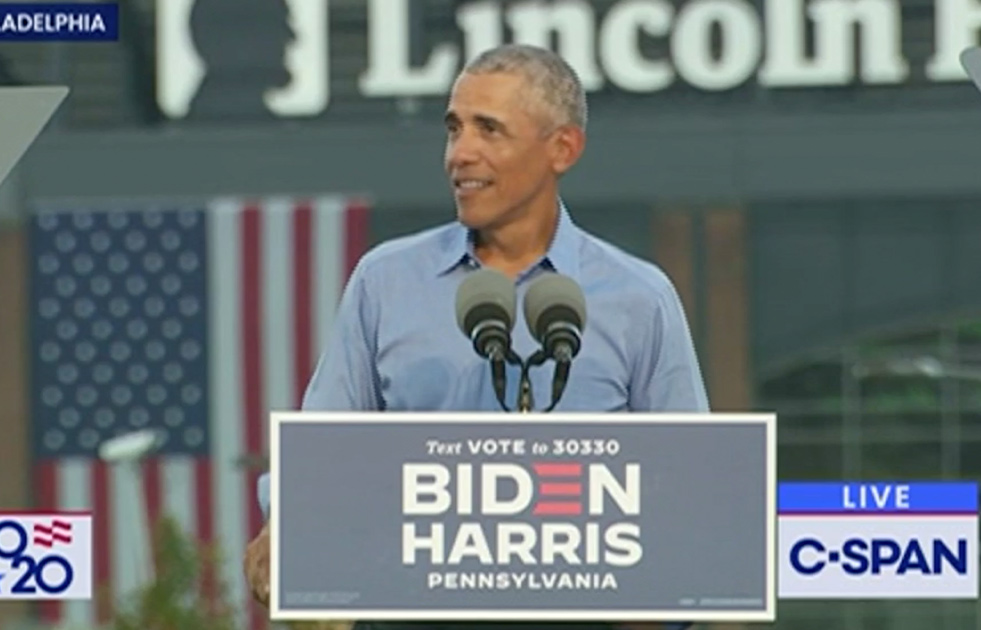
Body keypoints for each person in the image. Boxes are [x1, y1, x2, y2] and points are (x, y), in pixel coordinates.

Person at [245, 43, 708, 630]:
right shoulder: (385, 281)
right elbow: (322, 450)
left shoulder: (639, 299)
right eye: (454, 128)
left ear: (562, 148)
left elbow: (690, 486)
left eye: (489, 129)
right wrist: (288, 526)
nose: (459, 154)